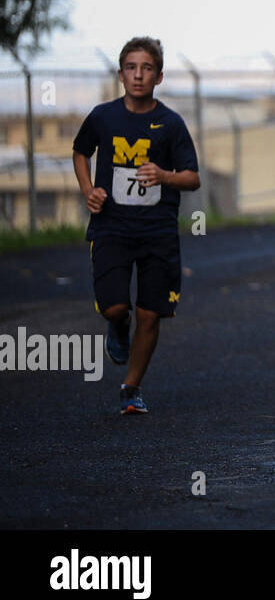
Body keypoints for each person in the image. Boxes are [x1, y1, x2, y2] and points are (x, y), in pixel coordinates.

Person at [72, 37, 200, 414]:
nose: (138, 75)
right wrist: (87, 190)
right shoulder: (103, 116)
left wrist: (163, 175)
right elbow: (81, 151)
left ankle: (132, 387)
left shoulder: (171, 124)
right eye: (131, 67)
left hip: (157, 232)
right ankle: (116, 325)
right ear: (121, 74)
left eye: (146, 68)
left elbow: (192, 178)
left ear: (158, 76)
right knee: (115, 308)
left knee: (150, 313)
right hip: (111, 227)